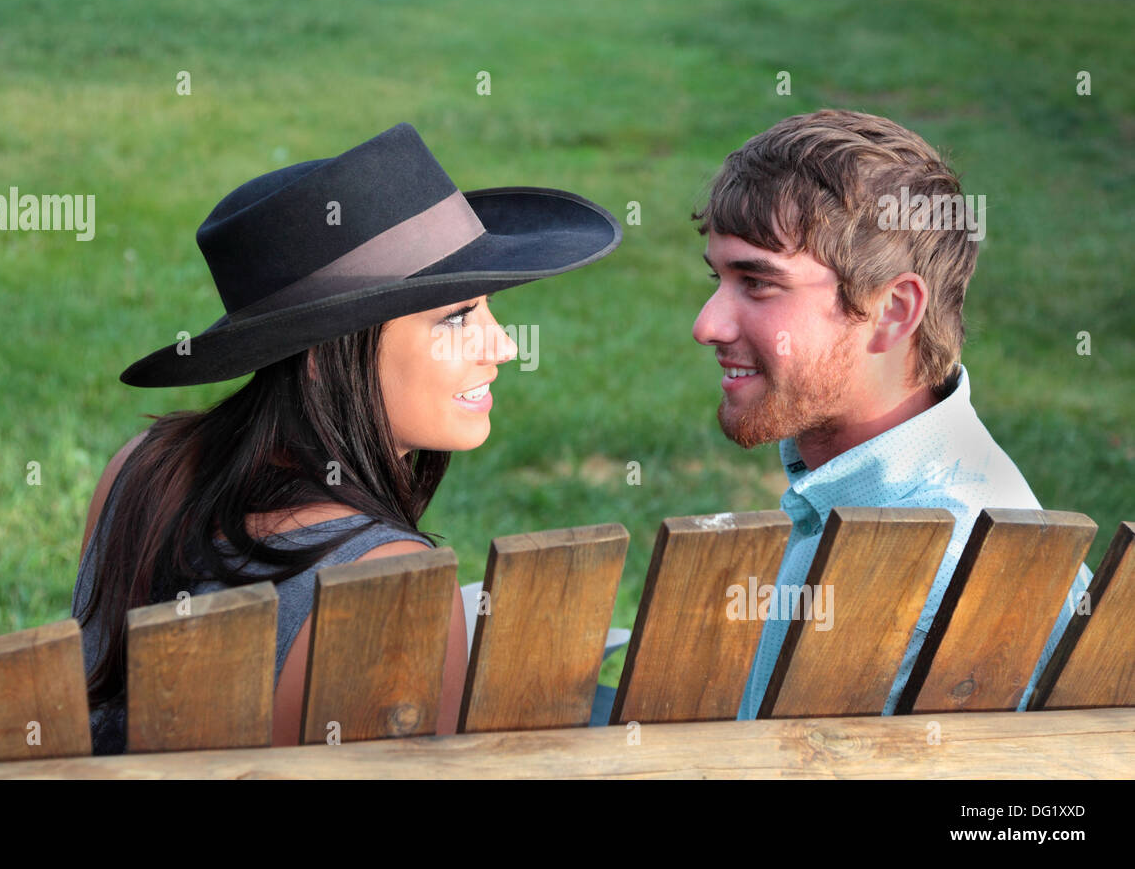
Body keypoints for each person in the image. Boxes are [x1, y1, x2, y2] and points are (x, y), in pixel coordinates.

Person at [72, 123, 621, 753]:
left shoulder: (141, 467)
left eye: (489, 308)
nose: (504, 346)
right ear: (328, 357)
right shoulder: (391, 583)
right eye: (457, 317)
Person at [689, 109, 1091, 717]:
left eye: (759, 283)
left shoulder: (943, 571)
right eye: (718, 278)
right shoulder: (863, 497)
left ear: (895, 312)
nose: (706, 325)